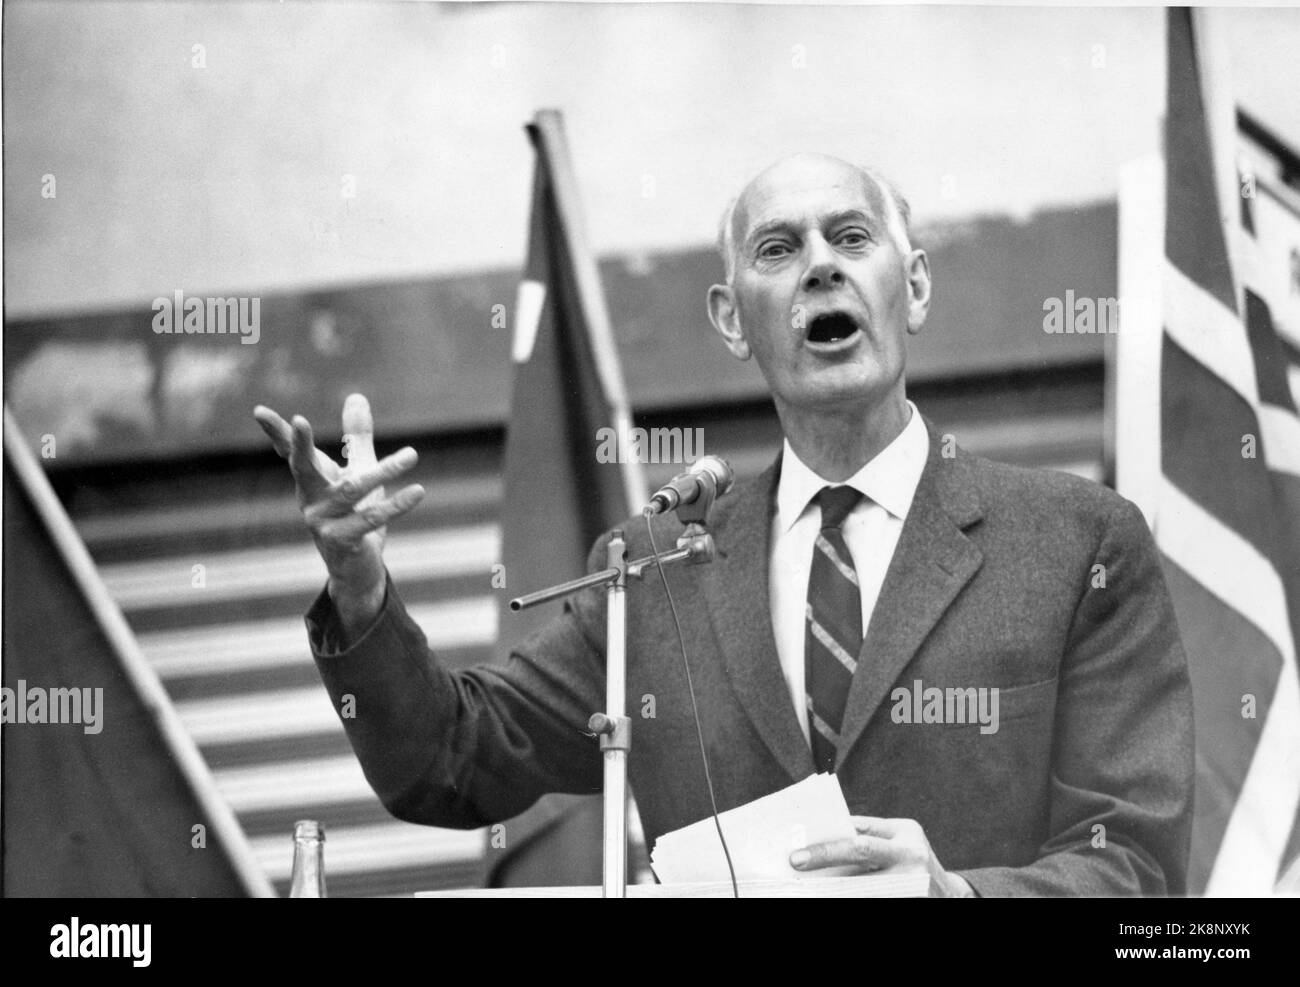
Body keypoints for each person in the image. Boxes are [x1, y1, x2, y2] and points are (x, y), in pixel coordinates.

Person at [254, 153, 1194, 896]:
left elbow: (1141, 872)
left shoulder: (1077, 545)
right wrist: (360, 583)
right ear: (732, 319)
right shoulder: (651, 574)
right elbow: (449, 759)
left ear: (913, 289)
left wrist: (958, 896)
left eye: (851, 236)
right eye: (777, 249)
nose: (819, 262)